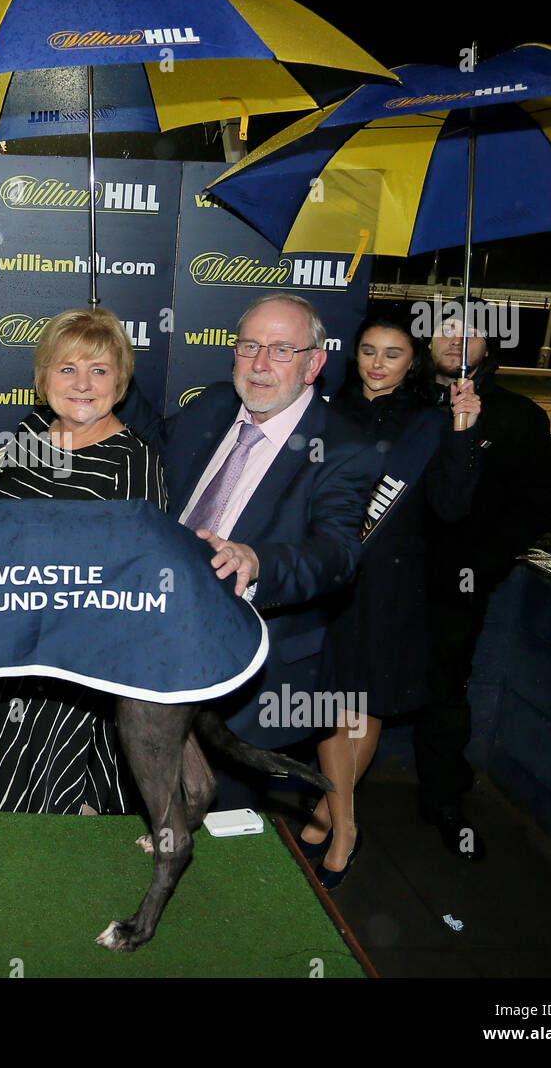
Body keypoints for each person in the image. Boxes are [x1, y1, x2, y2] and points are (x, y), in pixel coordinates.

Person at [119, 293, 380, 807]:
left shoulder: (344, 447)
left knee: (230, 851)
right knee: (147, 818)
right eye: (249, 346)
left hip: (255, 683)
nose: (260, 364)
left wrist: (257, 561)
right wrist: (106, 357)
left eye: (282, 349)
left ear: (315, 363)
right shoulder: (215, 404)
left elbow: (337, 554)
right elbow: (148, 441)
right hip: (157, 661)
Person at [297, 305, 480, 888]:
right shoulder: (323, 411)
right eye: (369, 351)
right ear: (354, 355)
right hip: (331, 576)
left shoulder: (431, 420)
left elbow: (454, 508)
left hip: (395, 582)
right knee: (332, 701)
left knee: (365, 705)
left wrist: (464, 433)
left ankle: (331, 813)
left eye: (393, 353)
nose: (378, 364)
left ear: (414, 359)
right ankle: (345, 823)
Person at [0, 307, 165, 816]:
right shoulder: (27, 437)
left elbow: (145, 580)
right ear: (42, 377)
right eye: (67, 368)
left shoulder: (134, 460)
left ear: (119, 382)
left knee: (62, 820)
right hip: (2, 654)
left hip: (78, 669)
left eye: (98, 370)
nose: (82, 384)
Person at [416, 310, 551, 860]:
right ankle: (334, 803)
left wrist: (484, 564)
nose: (455, 338)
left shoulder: (520, 416)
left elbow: (536, 504)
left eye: (469, 329)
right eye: (444, 327)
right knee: (355, 689)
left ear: (490, 342)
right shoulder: (401, 404)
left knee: (445, 693)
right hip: (383, 579)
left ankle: (444, 801)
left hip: (458, 584)